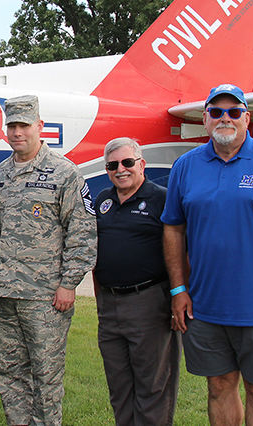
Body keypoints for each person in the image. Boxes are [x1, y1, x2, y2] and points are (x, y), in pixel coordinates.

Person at [161, 84, 253, 426]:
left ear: (247, 117)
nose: (224, 118)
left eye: (233, 112)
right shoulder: (186, 166)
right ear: (205, 119)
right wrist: (178, 290)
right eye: (216, 112)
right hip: (205, 305)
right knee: (219, 386)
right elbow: (173, 228)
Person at [0, 95, 97, 426]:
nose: (17, 133)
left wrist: (68, 284)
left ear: (40, 127)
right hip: (5, 295)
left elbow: (82, 233)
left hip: (45, 297)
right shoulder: (1, 175)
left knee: (46, 377)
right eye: (12, 126)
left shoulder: (64, 173)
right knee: (7, 372)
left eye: (24, 125)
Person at [93, 137, 180, 426]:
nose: (121, 169)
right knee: (119, 387)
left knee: (152, 387)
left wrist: (178, 295)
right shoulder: (102, 200)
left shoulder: (162, 198)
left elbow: (181, 250)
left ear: (141, 164)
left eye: (128, 162)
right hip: (109, 305)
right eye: (113, 165)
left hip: (149, 302)